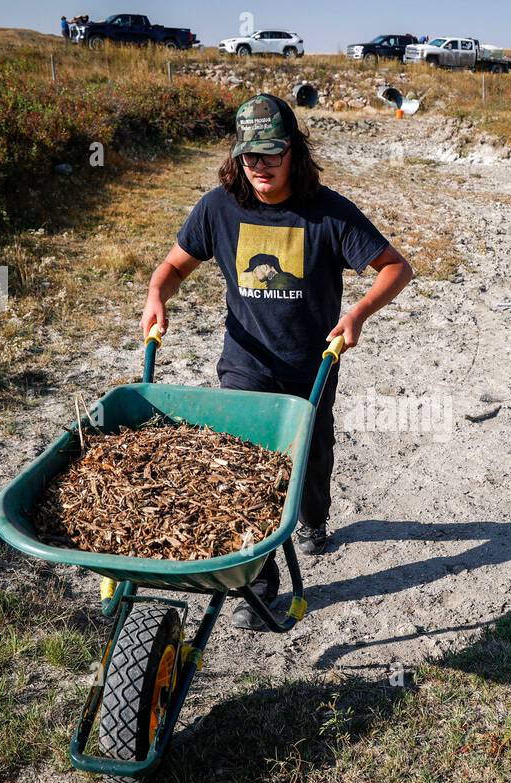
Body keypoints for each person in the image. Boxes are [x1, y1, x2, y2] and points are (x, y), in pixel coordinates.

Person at [140, 94, 413, 629]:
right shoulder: (219, 207)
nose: (260, 166)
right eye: (250, 156)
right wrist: (157, 294)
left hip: (313, 364)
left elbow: (395, 269)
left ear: (294, 151)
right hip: (245, 364)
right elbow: (174, 265)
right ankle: (258, 586)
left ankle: (314, 519)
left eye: (271, 153)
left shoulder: (329, 212)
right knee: (251, 468)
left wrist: (356, 314)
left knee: (312, 460)